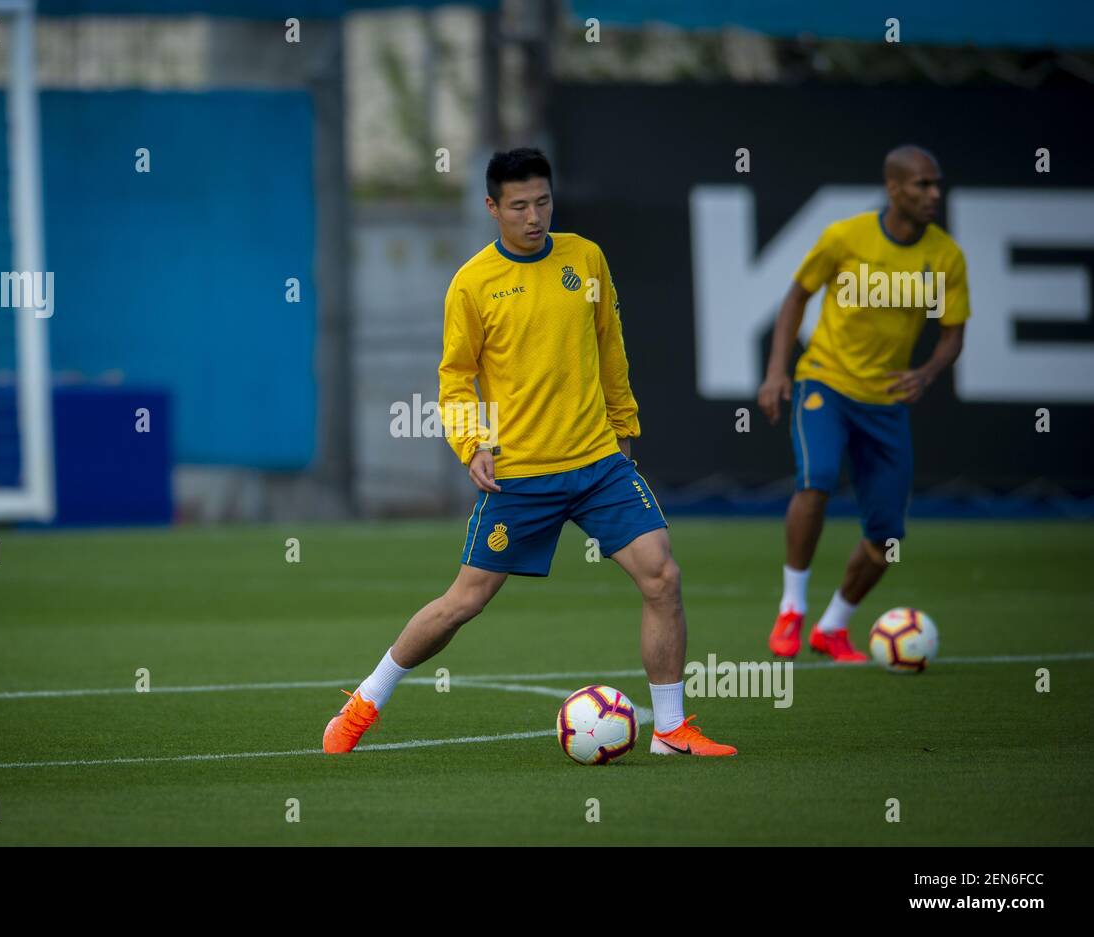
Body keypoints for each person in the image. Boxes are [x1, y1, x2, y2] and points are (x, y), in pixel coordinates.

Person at [323, 147, 736, 756]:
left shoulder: (586, 257)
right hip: (519, 476)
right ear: (492, 208)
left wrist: (625, 426)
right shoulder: (472, 283)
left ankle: (671, 731)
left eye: (542, 201)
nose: (534, 216)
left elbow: (610, 345)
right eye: (519, 206)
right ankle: (365, 702)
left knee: (663, 575)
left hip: (597, 463)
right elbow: (455, 377)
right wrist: (470, 445)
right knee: (463, 603)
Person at [759, 145, 970, 662]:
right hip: (824, 383)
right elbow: (795, 297)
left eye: (936, 184)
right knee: (817, 480)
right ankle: (791, 608)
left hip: (886, 402)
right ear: (894, 188)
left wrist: (928, 372)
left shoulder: (944, 257)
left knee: (886, 537)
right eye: (922, 185)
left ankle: (833, 626)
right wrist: (775, 372)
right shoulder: (845, 237)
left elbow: (953, 333)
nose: (933, 194)